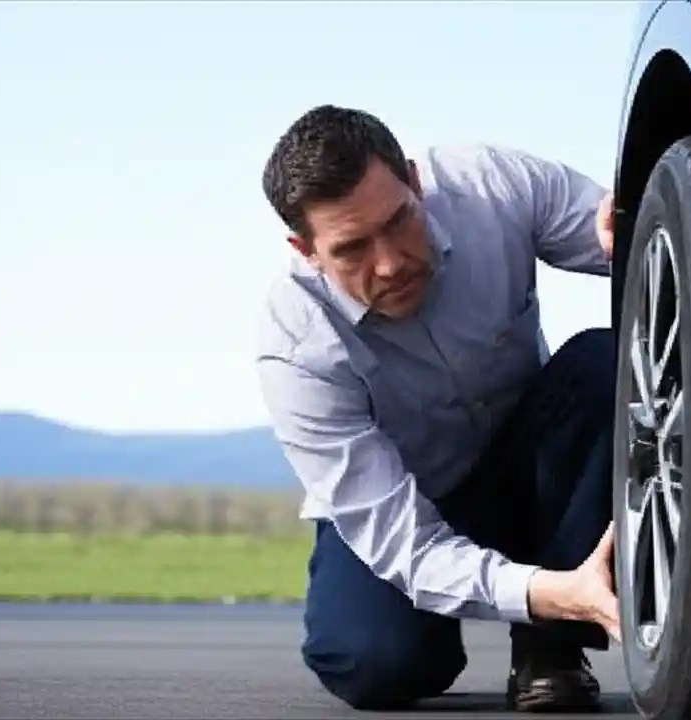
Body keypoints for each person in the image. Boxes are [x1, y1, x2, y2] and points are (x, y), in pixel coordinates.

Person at [255, 104, 620, 713]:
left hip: (531, 468)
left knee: (604, 362)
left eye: (400, 220)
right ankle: (553, 597)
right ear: (306, 250)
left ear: (416, 181)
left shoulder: (489, 184)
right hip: (407, 503)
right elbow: (405, 547)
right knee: (375, 664)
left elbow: (631, 230)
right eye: (352, 250)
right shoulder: (295, 348)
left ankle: (549, 649)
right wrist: (537, 590)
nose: (391, 262)